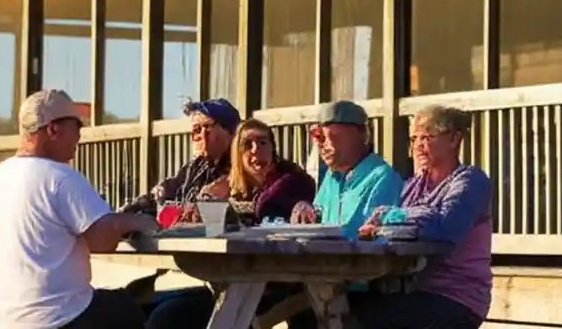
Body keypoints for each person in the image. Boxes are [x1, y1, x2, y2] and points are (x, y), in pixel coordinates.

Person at [0, 89, 159, 329]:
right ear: (54, 129)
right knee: (145, 308)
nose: (79, 137)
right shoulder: (59, 177)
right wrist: (134, 222)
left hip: (4, 319)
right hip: (59, 317)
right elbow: (102, 242)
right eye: (77, 127)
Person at [144, 120, 317, 329]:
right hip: (227, 281)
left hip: (274, 282)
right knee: (161, 313)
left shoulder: (291, 181)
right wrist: (201, 206)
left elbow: (268, 206)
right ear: (237, 153)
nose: (256, 150)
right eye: (248, 145)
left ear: (273, 148)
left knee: (170, 317)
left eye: (263, 143)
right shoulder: (230, 185)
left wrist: (229, 206)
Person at [355, 106, 493, 329]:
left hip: (456, 294)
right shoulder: (413, 186)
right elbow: (384, 221)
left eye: (427, 137)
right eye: (414, 138)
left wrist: (393, 217)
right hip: (412, 289)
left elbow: (445, 229)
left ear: (454, 138)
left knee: (368, 318)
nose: (418, 145)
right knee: (333, 308)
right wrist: (383, 222)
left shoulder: (470, 181)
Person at [290, 100, 402, 237]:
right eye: (318, 139)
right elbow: (320, 222)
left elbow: (376, 239)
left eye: (330, 136)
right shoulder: (331, 177)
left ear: (364, 135)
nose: (322, 146)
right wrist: (307, 210)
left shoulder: (383, 178)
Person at [122, 98, 240, 223]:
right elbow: (167, 191)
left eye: (200, 129)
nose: (196, 137)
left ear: (230, 131)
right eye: (195, 130)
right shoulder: (196, 167)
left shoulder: (241, 167)